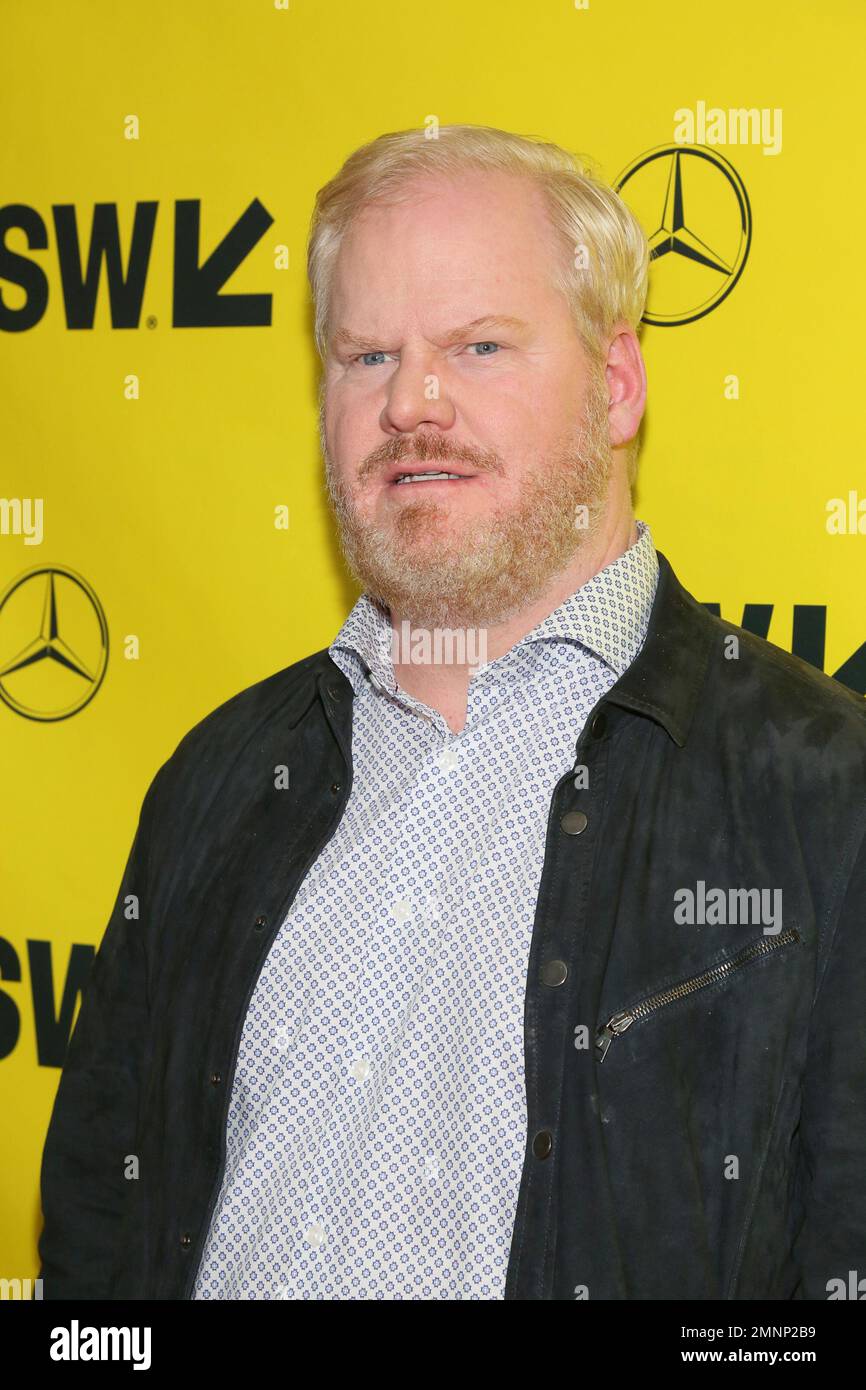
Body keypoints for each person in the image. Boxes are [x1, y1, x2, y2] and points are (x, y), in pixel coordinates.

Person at [38, 124, 866, 1300]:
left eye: (478, 345)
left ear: (617, 383)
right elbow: (97, 1227)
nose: (411, 402)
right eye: (367, 355)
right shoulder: (219, 778)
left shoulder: (825, 799)